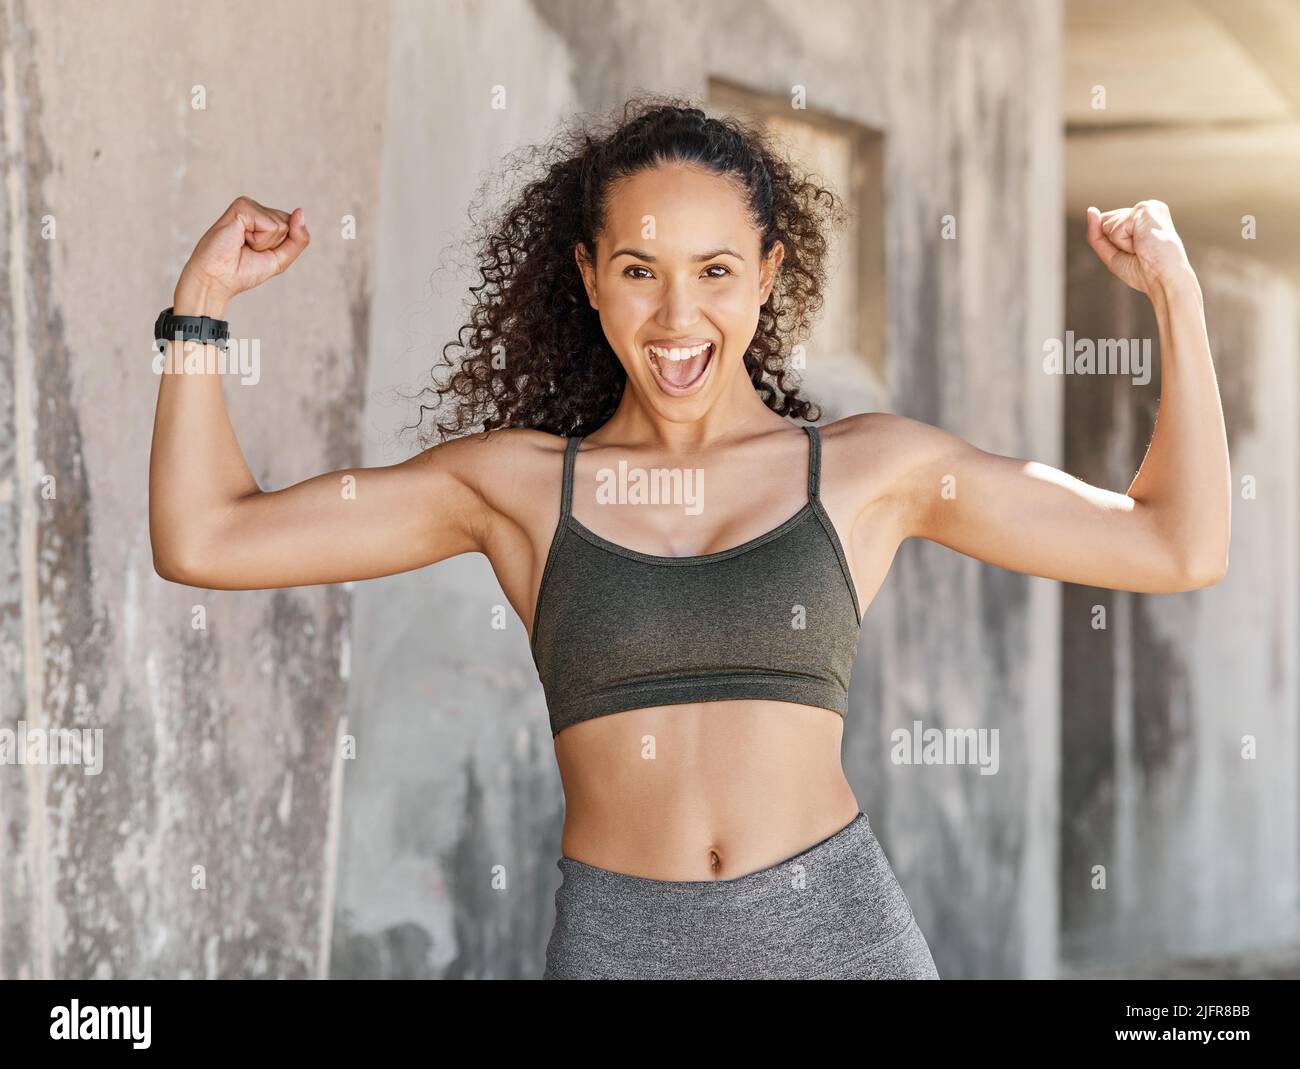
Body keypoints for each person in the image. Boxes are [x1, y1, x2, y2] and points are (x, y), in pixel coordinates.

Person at [148, 98, 1230, 980]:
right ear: (587, 275)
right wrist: (200, 306)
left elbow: (1175, 544)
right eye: (639, 270)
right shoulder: (512, 488)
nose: (677, 317)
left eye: (715, 271)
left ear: (766, 273)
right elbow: (206, 538)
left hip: (839, 943)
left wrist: (1175, 300)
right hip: (623, 951)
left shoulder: (867, 469)